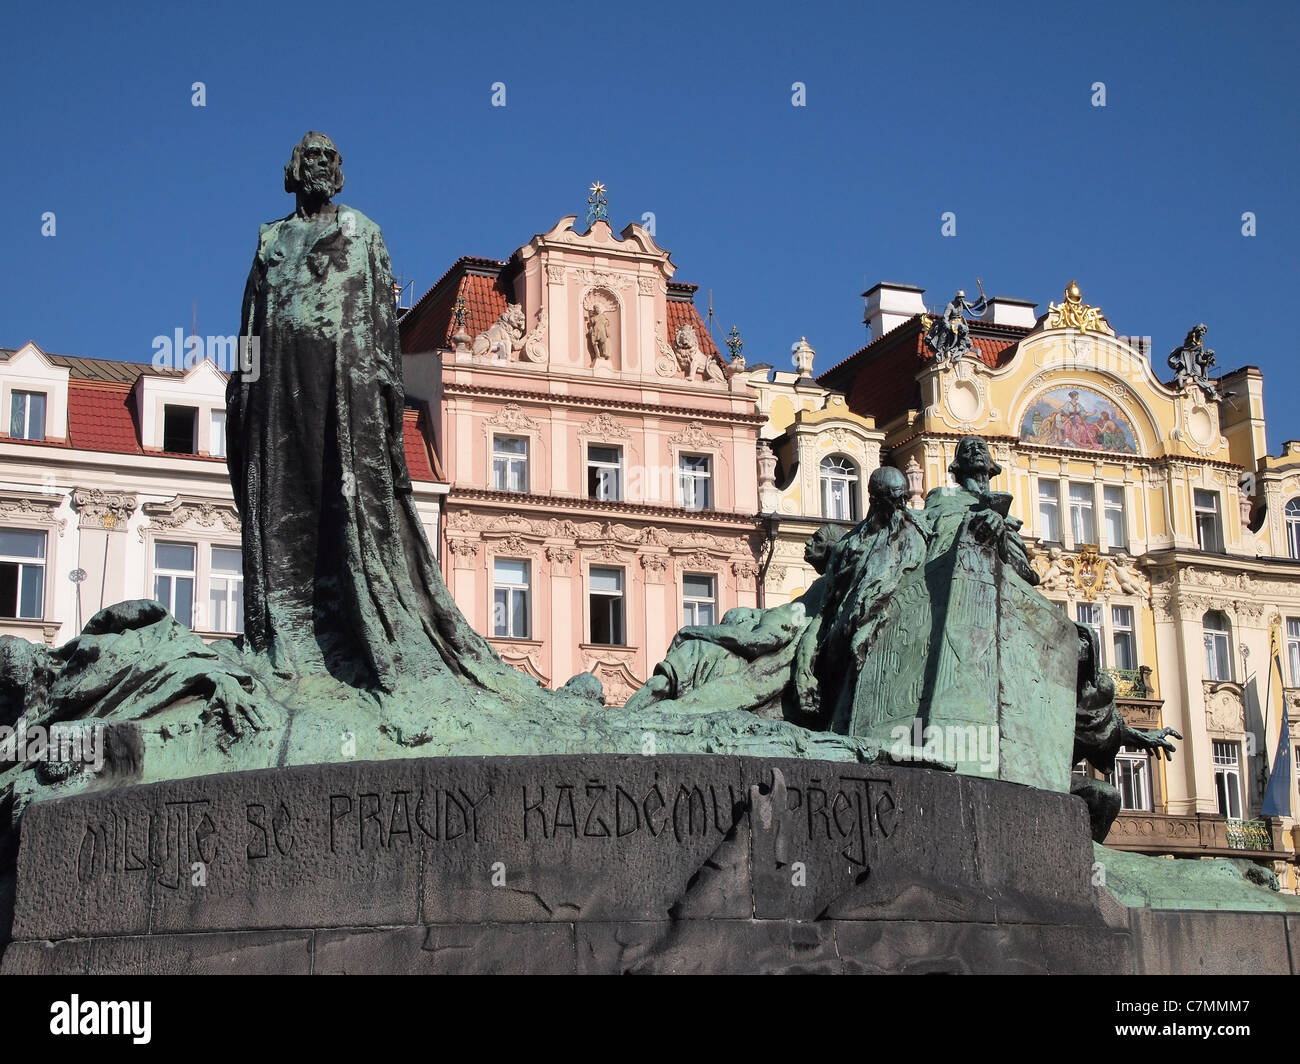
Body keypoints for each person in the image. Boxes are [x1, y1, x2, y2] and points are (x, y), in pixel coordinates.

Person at [228, 133, 535, 700]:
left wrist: (385, 395)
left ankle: (358, 636)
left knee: (348, 504)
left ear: (338, 173)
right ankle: (289, 633)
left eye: (328, 159)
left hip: (345, 390)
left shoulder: (362, 232)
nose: (319, 166)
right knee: (284, 504)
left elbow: (379, 324)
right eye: (309, 158)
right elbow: (250, 322)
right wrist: (245, 389)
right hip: (279, 389)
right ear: (293, 171)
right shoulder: (271, 239)